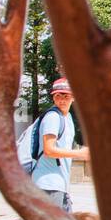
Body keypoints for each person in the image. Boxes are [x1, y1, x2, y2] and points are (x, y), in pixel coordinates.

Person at [30, 77, 90, 212]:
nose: (62, 99)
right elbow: (49, 150)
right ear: (53, 97)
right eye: (57, 96)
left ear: (73, 97)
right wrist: (80, 153)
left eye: (66, 95)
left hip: (59, 185)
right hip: (47, 185)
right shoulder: (53, 117)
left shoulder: (67, 118)